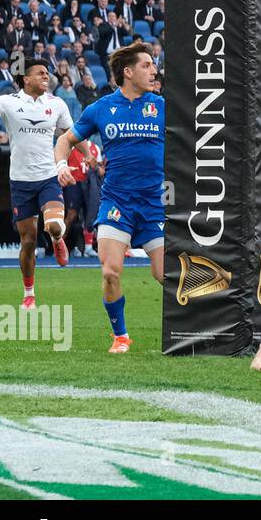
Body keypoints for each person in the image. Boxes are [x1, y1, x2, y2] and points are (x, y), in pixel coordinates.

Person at [53, 43, 164, 353]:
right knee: (110, 271)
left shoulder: (163, 106)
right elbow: (65, 140)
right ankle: (121, 337)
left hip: (155, 204)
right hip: (117, 202)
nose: (153, 70)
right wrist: (62, 164)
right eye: (146, 65)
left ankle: (197, 329)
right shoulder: (101, 109)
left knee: (165, 275)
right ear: (128, 72)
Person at [0, 61, 74, 308]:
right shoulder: (9, 102)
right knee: (28, 240)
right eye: (40, 73)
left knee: (53, 226)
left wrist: (89, 155)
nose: (46, 76)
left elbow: (71, 134)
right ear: (26, 79)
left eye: (47, 73)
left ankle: (58, 239)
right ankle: (29, 292)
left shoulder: (56, 103)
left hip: (48, 178)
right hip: (20, 182)